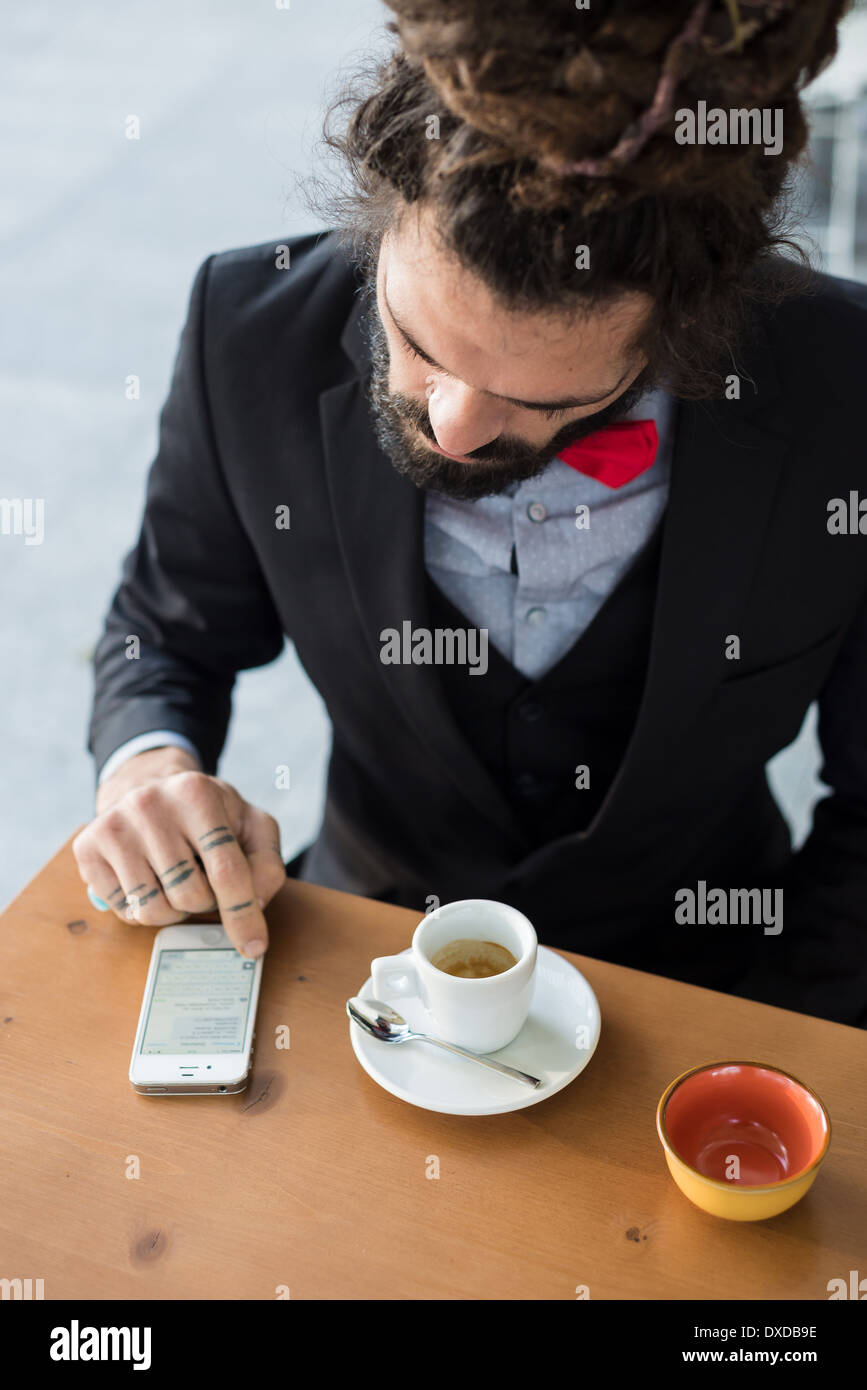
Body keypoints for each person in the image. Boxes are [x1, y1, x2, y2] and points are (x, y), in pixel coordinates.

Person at [76, 0, 867, 1027]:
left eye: (541, 402)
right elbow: (164, 632)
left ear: (689, 329)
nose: (451, 429)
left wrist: (786, 1046)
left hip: (710, 983)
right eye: (416, 344)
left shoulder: (846, 390)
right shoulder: (247, 331)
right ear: (378, 211)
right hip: (361, 970)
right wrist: (151, 769)